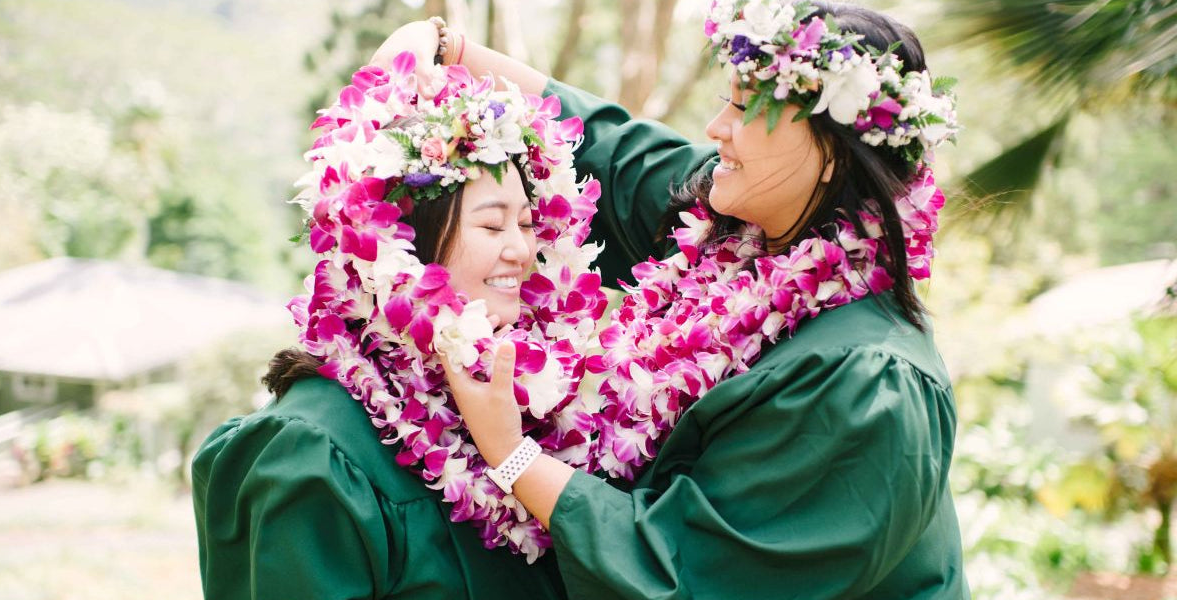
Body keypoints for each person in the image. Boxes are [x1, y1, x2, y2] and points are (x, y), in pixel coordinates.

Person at [371, 1, 969, 598]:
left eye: (745, 108)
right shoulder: (740, 224)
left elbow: (697, 576)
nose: (717, 128)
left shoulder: (866, 383)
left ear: (831, 153)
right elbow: (610, 154)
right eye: (727, 99)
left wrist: (508, 452)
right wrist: (440, 49)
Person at [189, 59, 602, 599]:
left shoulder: (514, 419)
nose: (521, 250)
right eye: (491, 224)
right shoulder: (313, 450)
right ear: (407, 245)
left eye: (525, 223)